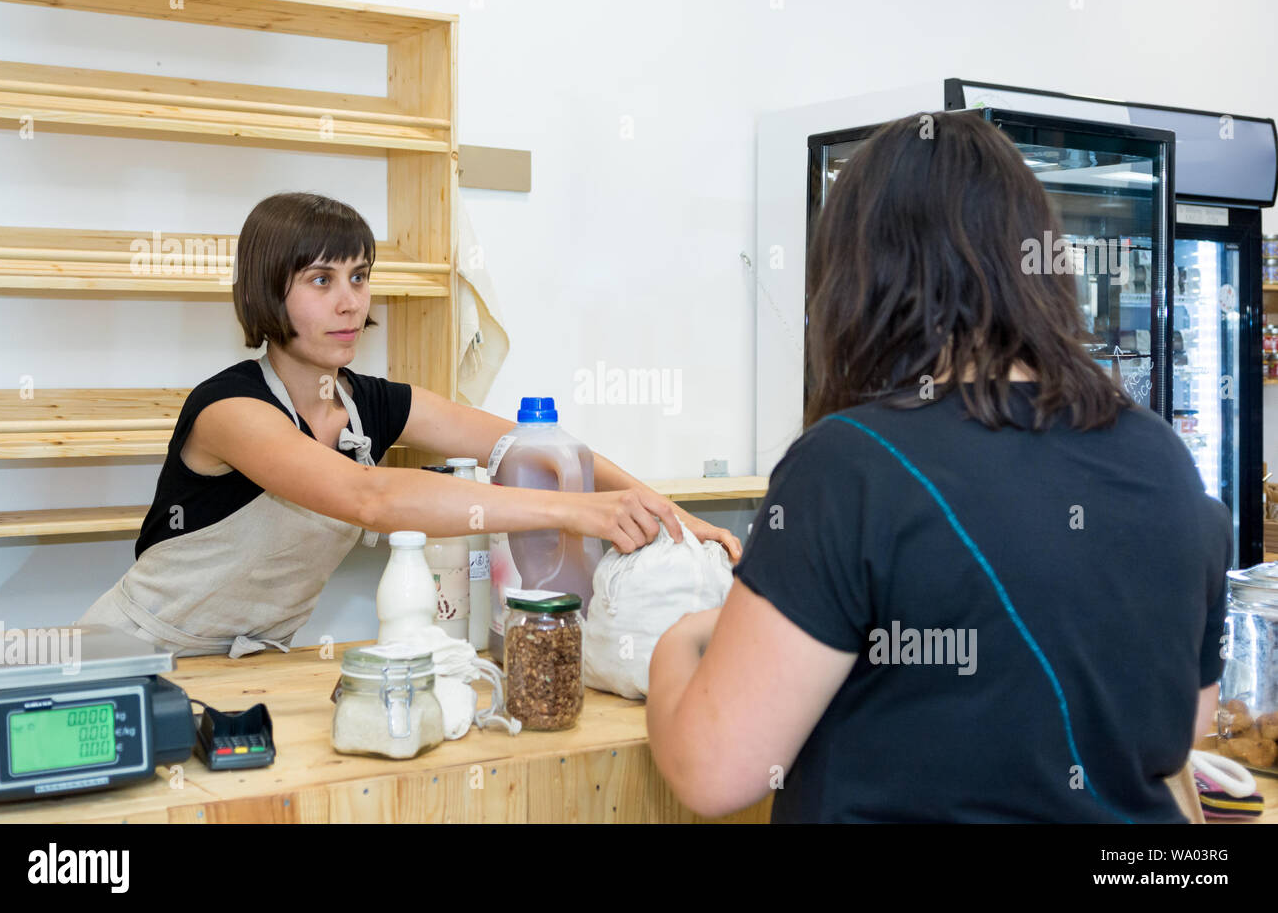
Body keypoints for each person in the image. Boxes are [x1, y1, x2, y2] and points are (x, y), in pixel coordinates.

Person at [646, 110, 1229, 822]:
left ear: (857, 278)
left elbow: (715, 771)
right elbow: (1184, 728)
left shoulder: (849, 465)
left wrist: (675, 643)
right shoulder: (1161, 454)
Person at [77, 192, 741, 658]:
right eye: (319, 280)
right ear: (265, 291)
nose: (349, 301)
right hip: (135, 655)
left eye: (359, 277)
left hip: (256, 664)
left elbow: (530, 444)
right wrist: (578, 512)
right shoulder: (231, 411)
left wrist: (667, 511)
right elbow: (373, 498)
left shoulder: (372, 403)